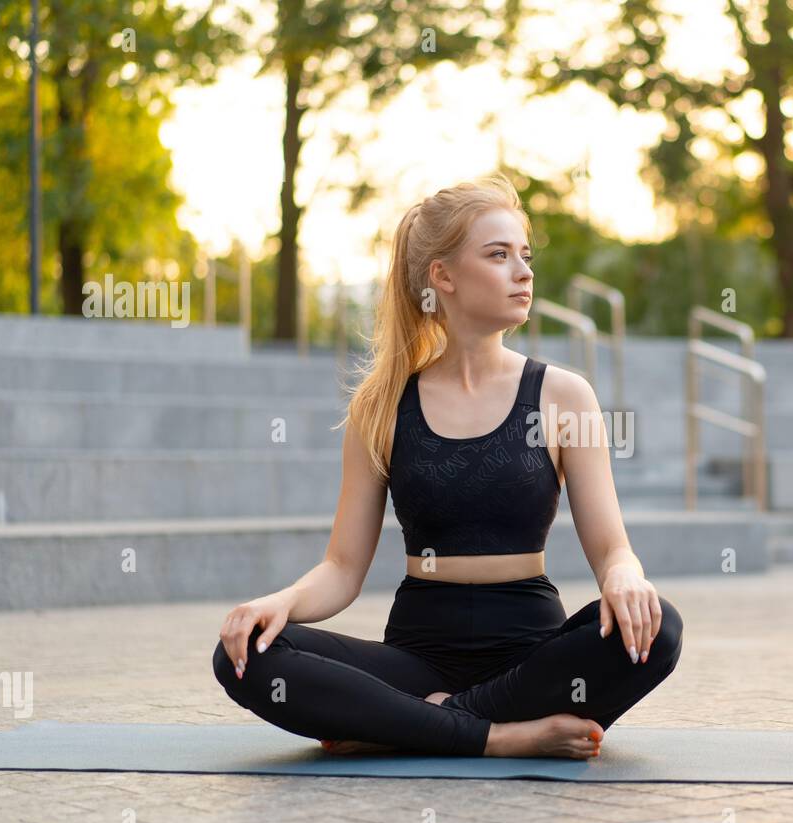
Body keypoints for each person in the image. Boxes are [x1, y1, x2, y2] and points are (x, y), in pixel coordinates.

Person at [212, 172, 683, 759]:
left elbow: (612, 547)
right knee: (245, 654)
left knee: (659, 628)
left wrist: (624, 577)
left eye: (525, 256)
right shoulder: (381, 406)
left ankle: (411, 726)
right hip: (416, 659)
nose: (524, 271)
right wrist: (278, 603)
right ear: (444, 276)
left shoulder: (564, 395)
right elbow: (341, 567)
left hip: (531, 660)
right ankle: (497, 736)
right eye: (498, 255)